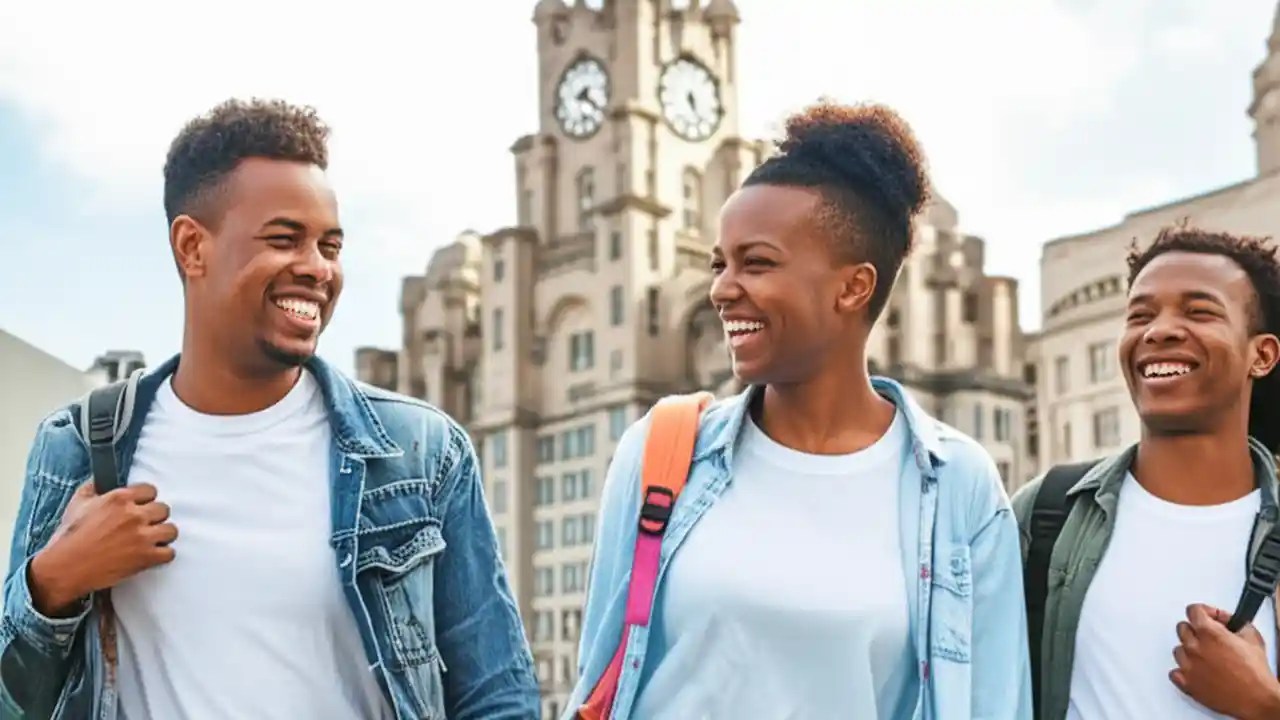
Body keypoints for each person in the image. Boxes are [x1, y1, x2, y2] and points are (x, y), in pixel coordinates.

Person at [0, 98, 539, 719]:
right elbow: (17, 703)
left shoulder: (419, 451)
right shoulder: (79, 448)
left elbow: (497, 697)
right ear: (192, 247)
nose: (317, 269)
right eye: (285, 239)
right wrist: (53, 584)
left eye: (330, 247)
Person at [564, 101, 1032, 719]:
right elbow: (599, 677)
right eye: (720, 264)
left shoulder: (958, 486)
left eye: (756, 263)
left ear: (853, 286)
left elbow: (994, 705)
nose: (723, 289)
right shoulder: (661, 452)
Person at [1012, 225, 1280, 720]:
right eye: (1140, 315)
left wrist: (1267, 705)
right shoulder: (1045, 513)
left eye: (1199, 311)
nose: (1158, 330)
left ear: (1260, 355)